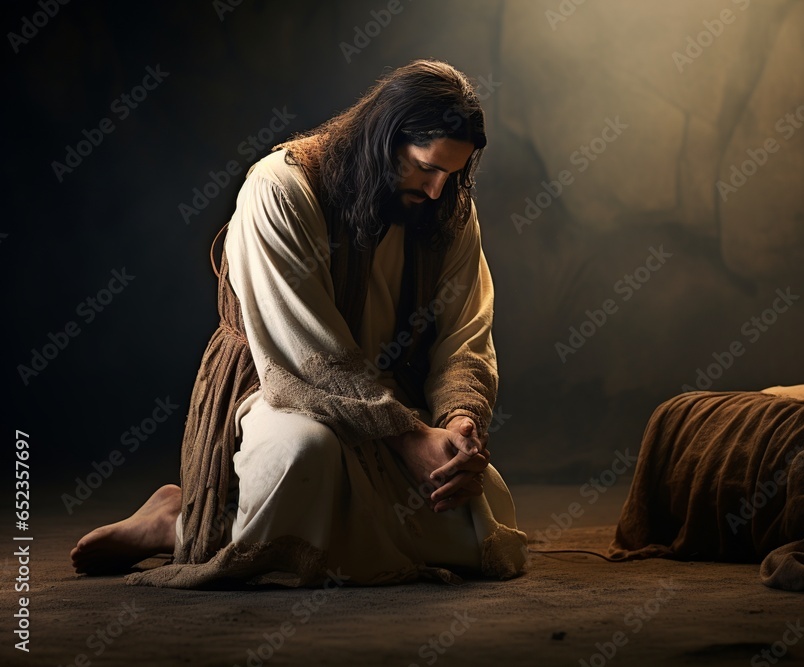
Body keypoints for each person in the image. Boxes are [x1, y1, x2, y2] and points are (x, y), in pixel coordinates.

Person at [71, 60, 527, 587]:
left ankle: (238, 525)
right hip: (283, 387)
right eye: (426, 167)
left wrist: (456, 423)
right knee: (308, 455)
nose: (435, 190)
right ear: (383, 140)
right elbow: (304, 354)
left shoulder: (448, 209)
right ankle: (178, 524)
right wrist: (408, 438)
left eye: (452, 174)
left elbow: (464, 335)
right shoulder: (280, 188)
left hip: (392, 402)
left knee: (479, 515)